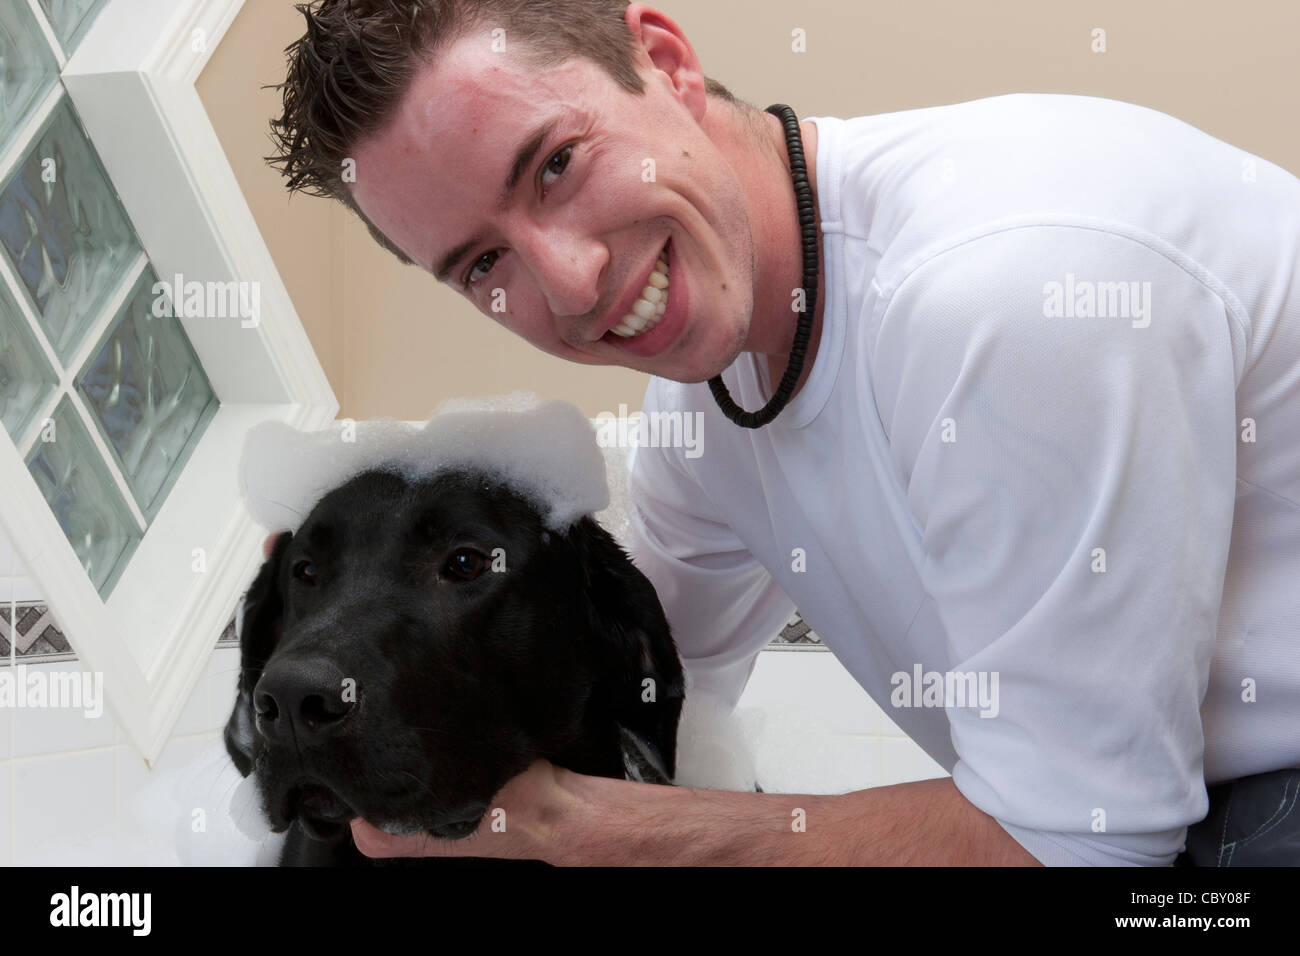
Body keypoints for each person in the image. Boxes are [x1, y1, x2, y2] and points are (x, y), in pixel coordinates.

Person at [260, 0, 1300, 865]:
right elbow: (642, 684)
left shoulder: (1003, 295)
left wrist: (586, 833)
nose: (568, 282)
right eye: (483, 264)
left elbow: (1086, 850)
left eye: (557, 165)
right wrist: (347, 612)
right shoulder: (708, 403)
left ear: (662, 60)